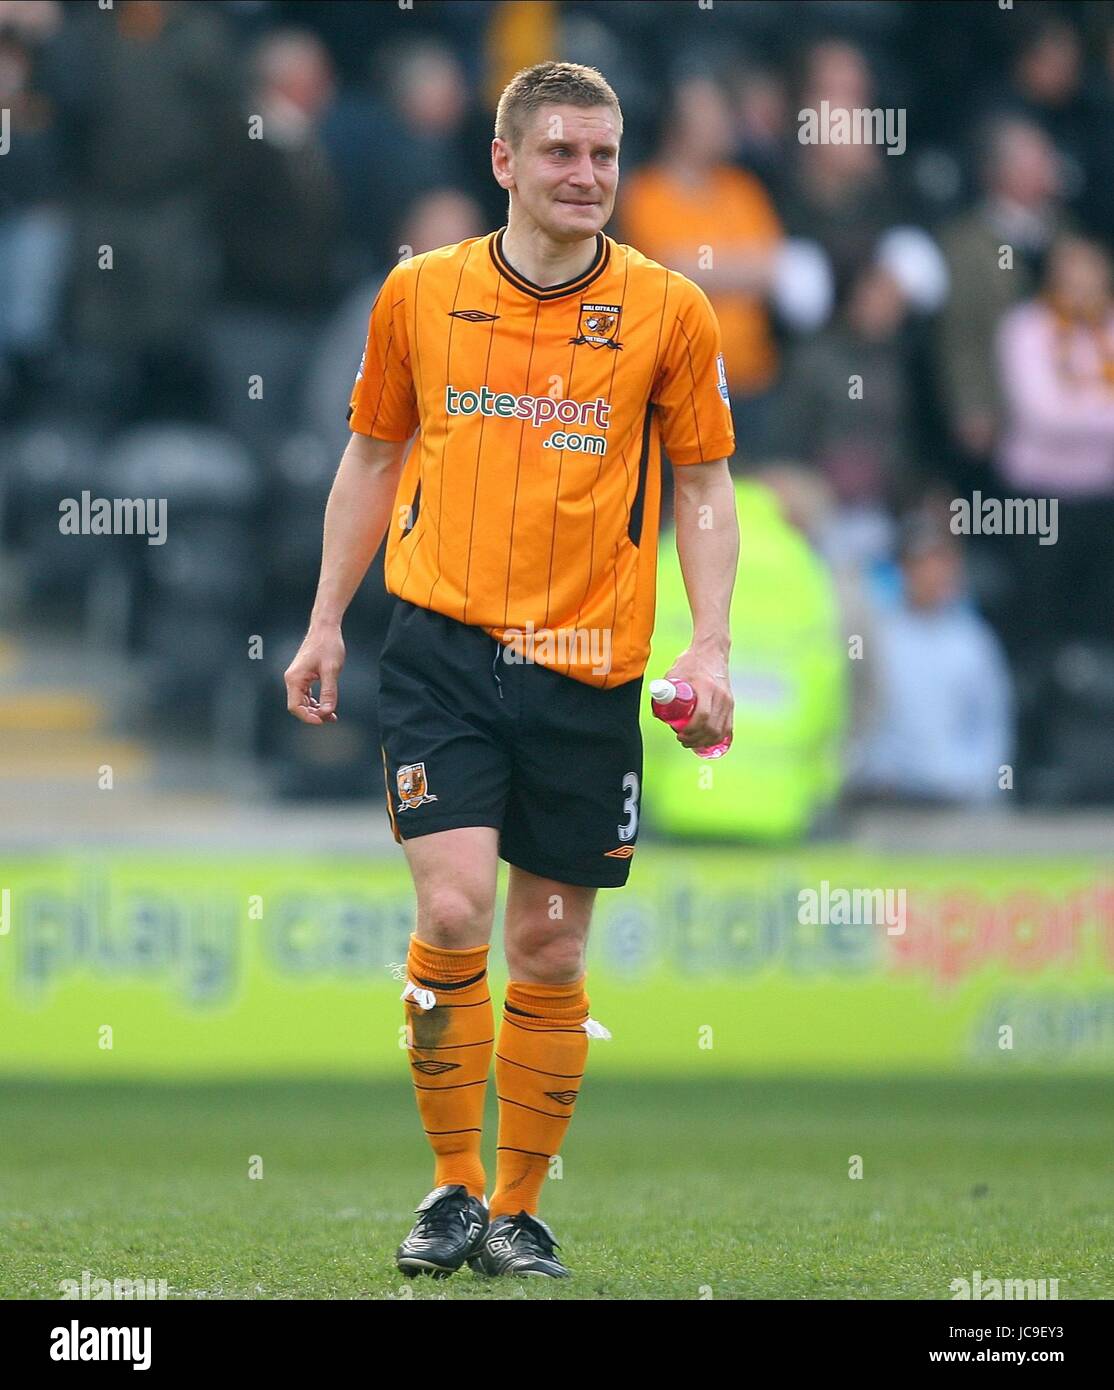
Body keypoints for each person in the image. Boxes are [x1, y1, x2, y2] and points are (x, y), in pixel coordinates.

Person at [283, 61, 738, 1279]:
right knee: (449, 907)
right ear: (504, 163)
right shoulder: (419, 295)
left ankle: (520, 1208)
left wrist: (709, 642)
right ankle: (451, 1187)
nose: (586, 176)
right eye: (559, 154)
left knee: (546, 948)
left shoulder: (670, 312)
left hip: (590, 664)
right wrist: (326, 619)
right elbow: (371, 459)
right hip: (441, 648)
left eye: (602, 155)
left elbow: (701, 483)